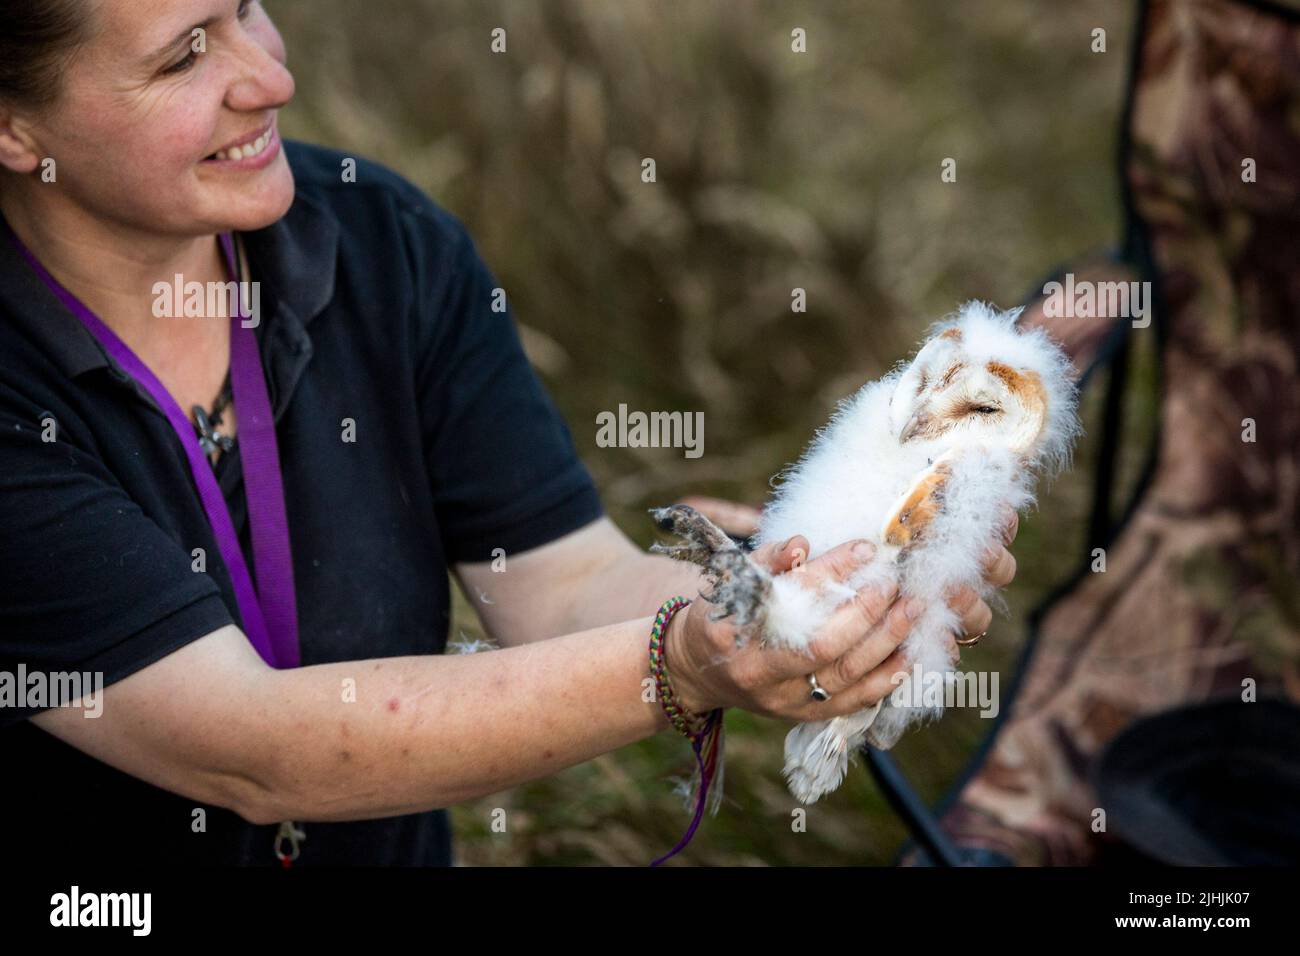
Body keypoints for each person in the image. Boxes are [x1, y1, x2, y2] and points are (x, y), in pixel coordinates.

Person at [0, 0, 1016, 866]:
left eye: (251, 5)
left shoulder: (377, 239)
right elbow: (252, 749)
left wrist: (803, 586)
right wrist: (687, 665)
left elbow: (563, 587)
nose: (270, 76)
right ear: (15, 128)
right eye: (185, 54)